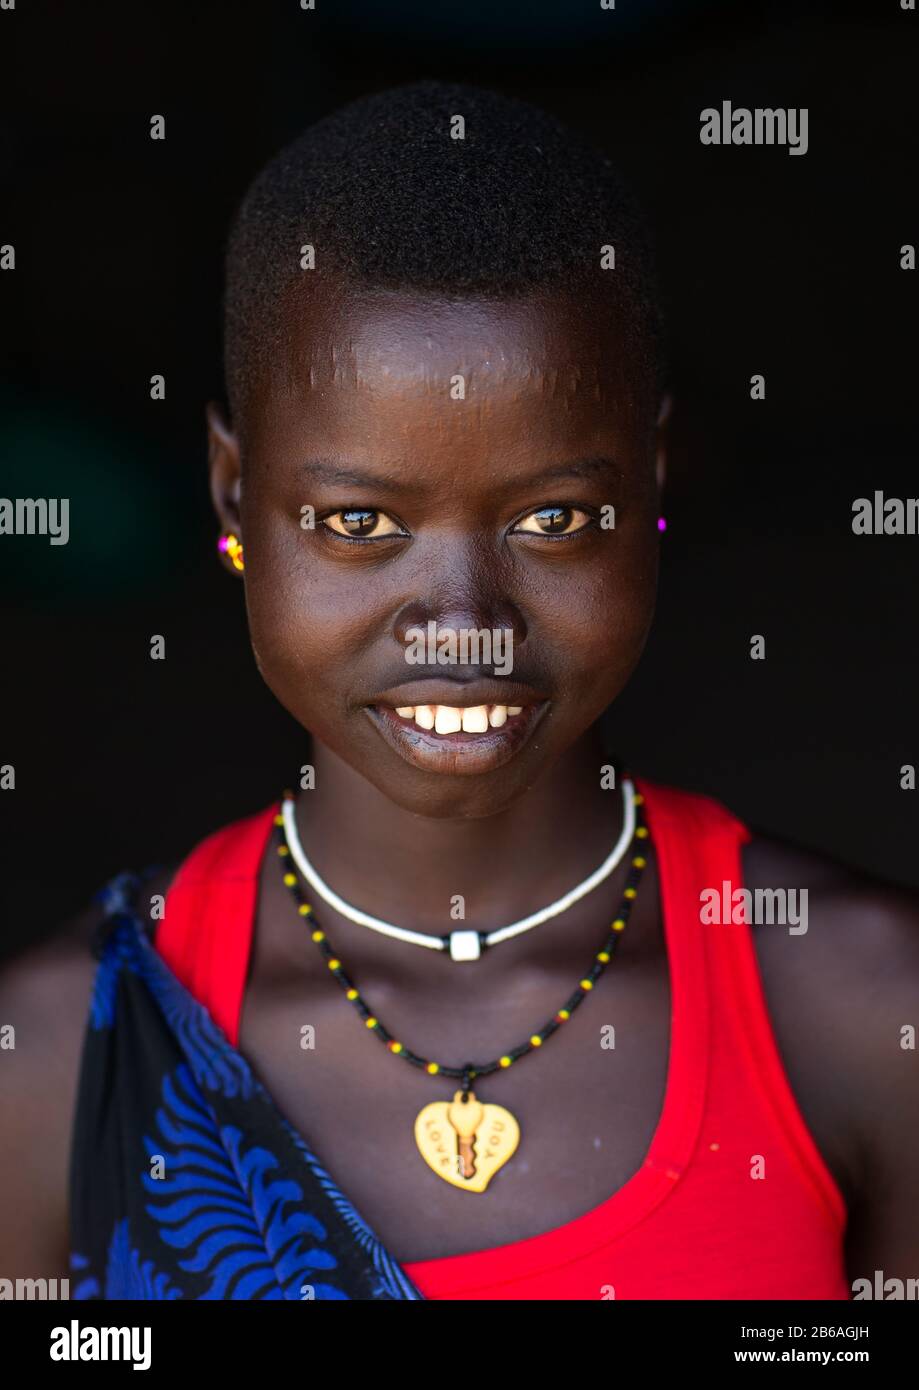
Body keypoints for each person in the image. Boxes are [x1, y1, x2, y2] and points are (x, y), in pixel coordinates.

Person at [2, 80, 917, 1302]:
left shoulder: (858, 1008)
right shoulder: (61, 1060)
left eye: (552, 517)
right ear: (232, 498)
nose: (466, 623)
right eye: (359, 522)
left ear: (651, 484)